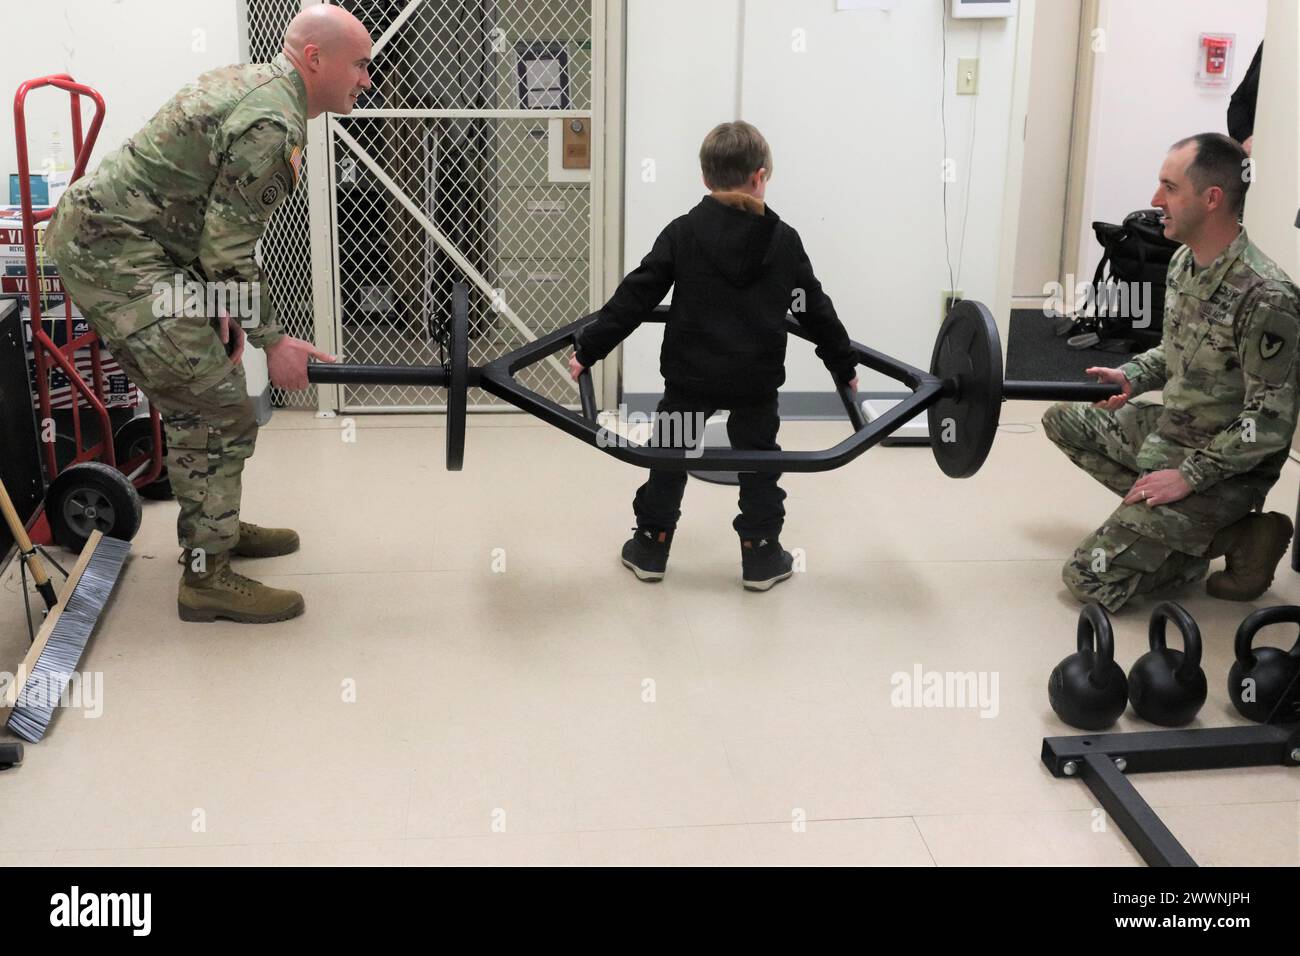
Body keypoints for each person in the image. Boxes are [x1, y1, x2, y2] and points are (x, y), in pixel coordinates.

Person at [44, 5, 371, 623]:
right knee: (215, 403)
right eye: (359, 65)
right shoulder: (271, 124)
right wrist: (273, 340)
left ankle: (214, 526)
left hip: (137, 249)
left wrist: (214, 303)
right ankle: (205, 576)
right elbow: (228, 251)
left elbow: (201, 221)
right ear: (315, 59)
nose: (367, 79)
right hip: (112, 254)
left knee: (209, 395)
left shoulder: (253, 84)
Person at [568, 121, 858, 591]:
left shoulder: (683, 234)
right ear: (760, 177)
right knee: (758, 459)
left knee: (669, 454)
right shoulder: (783, 241)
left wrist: (590, 348)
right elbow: (814, 309)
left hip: (691, 378)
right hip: (754, 383)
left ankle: (651, 546)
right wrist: (843, 366)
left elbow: (637, 296)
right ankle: (762, 557)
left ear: (705, 178)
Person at [1043, 133, 1300, 611]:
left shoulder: (1267, 296)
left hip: (1222, 469)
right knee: (1063, 418)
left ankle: (1229, 533)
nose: (1155, 200)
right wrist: (1133, 376)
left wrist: (1188, 476)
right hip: (1171, 432)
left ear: (1212, 198)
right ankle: (1187, 528)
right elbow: (1173, 350)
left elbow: (1268, 422)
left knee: (1087, 578)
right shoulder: (1185, 261)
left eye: (1169, 187)